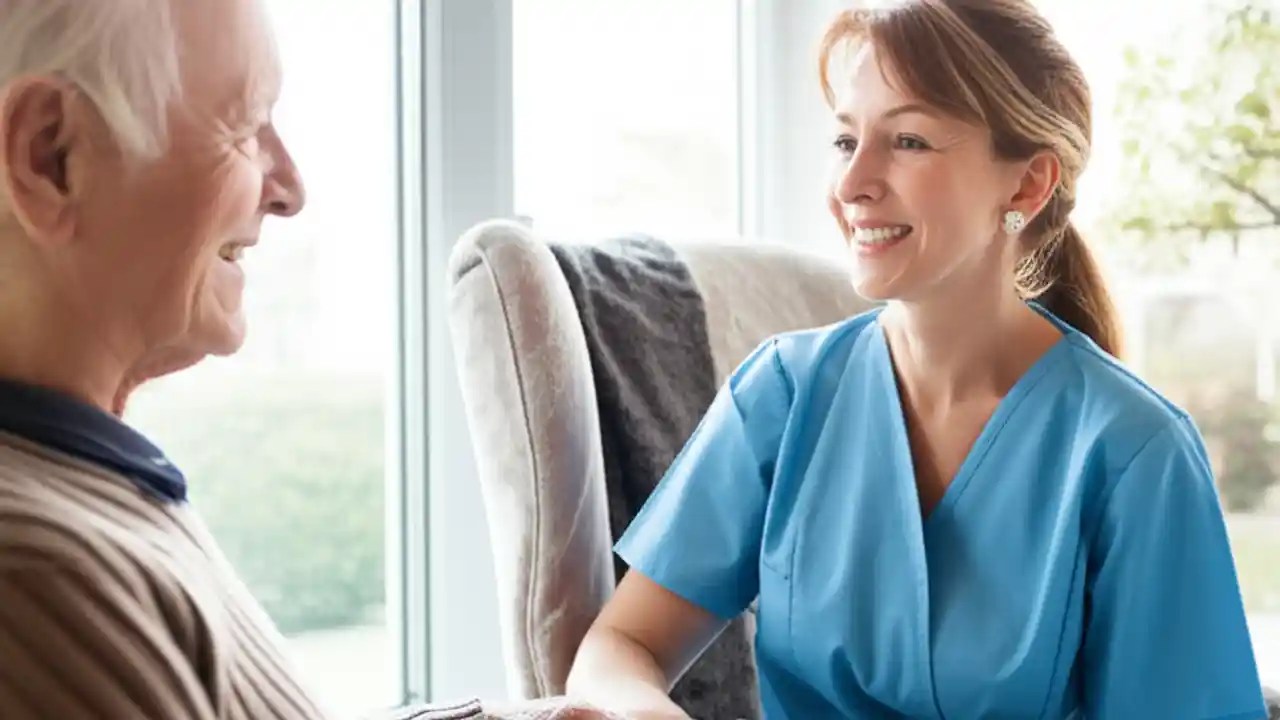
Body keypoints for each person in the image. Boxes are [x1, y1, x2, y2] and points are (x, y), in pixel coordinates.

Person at [565, 1, 1269, 718]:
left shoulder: (1135, 453)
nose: (852, 184)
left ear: (1027, 184)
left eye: (908, 141)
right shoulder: (780, 397)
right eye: (846, 141)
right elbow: (620, 646)